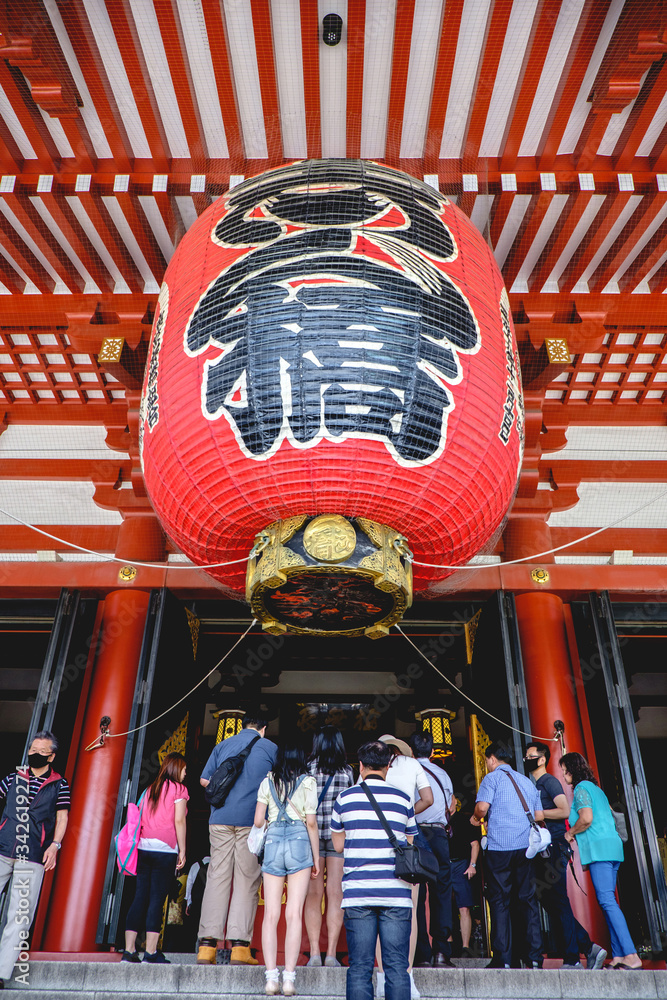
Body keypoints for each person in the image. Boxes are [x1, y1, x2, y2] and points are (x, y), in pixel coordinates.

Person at [331, 740, 418, 1000]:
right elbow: (409, 843)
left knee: (359, 967)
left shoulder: (345, 797)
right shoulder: (403, 799)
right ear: (388, 766)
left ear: (360, 766)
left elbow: (338, 845)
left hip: (358, 892)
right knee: (396, 968)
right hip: (396, 893)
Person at [198, 715, 277, 965]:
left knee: (217, 876)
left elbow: (204, 780)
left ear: (244, 727)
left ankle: (207, 947)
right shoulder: (269, 747)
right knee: (246, 879)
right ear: (262, 729)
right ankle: (240, 948)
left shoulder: (222, 745)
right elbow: (278, 781)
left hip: (219, 818)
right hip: (250, 821)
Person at [524, 743, 606, 970]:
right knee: (549, 900)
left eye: (531, 756)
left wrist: (540, 814)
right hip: (544, 849)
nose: (526, 759)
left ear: (542, 759)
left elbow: (564, 810)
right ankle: (589, 948)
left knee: (558, 900)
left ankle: (572, 959)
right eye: (525, 756)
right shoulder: (535, 785)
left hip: (556, 846)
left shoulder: (549, 781)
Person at [0, 731, 70, 989]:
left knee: (19, 916)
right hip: (3, 847)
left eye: (41, 752)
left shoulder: (59, 784)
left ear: (51, 756)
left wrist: (54, 845)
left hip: (32, 853)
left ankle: (1, 971)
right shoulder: (13, 777)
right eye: (32, 750)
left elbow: (62, 818)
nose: (35, 755)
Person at [560, 751, 642, 970]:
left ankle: (631, 955)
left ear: (571, 769)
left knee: (606, 901)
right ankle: (618, 956)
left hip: (599, 850)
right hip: (613, 848)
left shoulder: (581, 789)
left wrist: (570, 834)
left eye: (564, 769)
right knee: (609, 902)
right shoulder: (597, 790)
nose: (563, 773)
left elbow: (586, 818)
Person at [254, 741, 319, 996]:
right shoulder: (308, 782)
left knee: (271, 914)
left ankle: (271, 978)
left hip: (272, 841)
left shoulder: (268, 781)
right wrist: (315, 857)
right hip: (300, 840)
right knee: (294, 913)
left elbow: (259, 820)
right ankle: (289, 979)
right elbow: (311, 822)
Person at [471, 740, 544, 970]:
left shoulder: (491, 778)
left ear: (492, 759)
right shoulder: (527, 782)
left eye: (487, 760)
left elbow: (482, 808)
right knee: (528, 900)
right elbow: (539, 815)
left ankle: (503, 958)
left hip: (500, 848)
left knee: (500, 902)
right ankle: (533, 957)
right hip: (525, 848)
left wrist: (475, 818)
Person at [377, 735, 433, 998]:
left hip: (376, 841)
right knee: (407, 912)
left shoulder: (373, 766)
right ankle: (407, 977)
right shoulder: (412, 765)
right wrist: (408, 810)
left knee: (376, 911)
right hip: (406, 842)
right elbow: (429, 798)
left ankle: (380, 978)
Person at [123, 751, 188, 963]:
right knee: (156, 900)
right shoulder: (180, 789)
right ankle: (150, 952)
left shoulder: (151, 788)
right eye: (184, 770)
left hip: (144, 848)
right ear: (177, 768)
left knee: (140, 896)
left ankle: (129, 950)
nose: (185, 774)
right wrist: (183, 850)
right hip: (164, 851)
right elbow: (179, 821)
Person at [304, 726, 354, 967]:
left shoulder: (307, 770)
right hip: (339, 839)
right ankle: (332, 954)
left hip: (311, 839)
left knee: (313, 895)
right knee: (336, 894)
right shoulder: (347, 773)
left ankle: (314, 953)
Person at [408, 731, 455, 969]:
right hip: (438, 834)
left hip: (414, 834)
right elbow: (451, 805)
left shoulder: (407, 771)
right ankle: (441, 953)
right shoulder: (443, 774)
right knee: (442, 891)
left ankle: (421, 953)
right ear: (433, 753)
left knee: (416, 893)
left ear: (412, 752)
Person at [446, 799, 480, 957]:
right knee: (444, 906)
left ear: (455, 802)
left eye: (449, 800)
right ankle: (448, 944)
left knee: (464, 906)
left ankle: (466, 947)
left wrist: (472, 865)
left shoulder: (464, 820)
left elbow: (475, 844)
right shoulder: (439, 820)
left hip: (461, 865)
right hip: (444, 865)